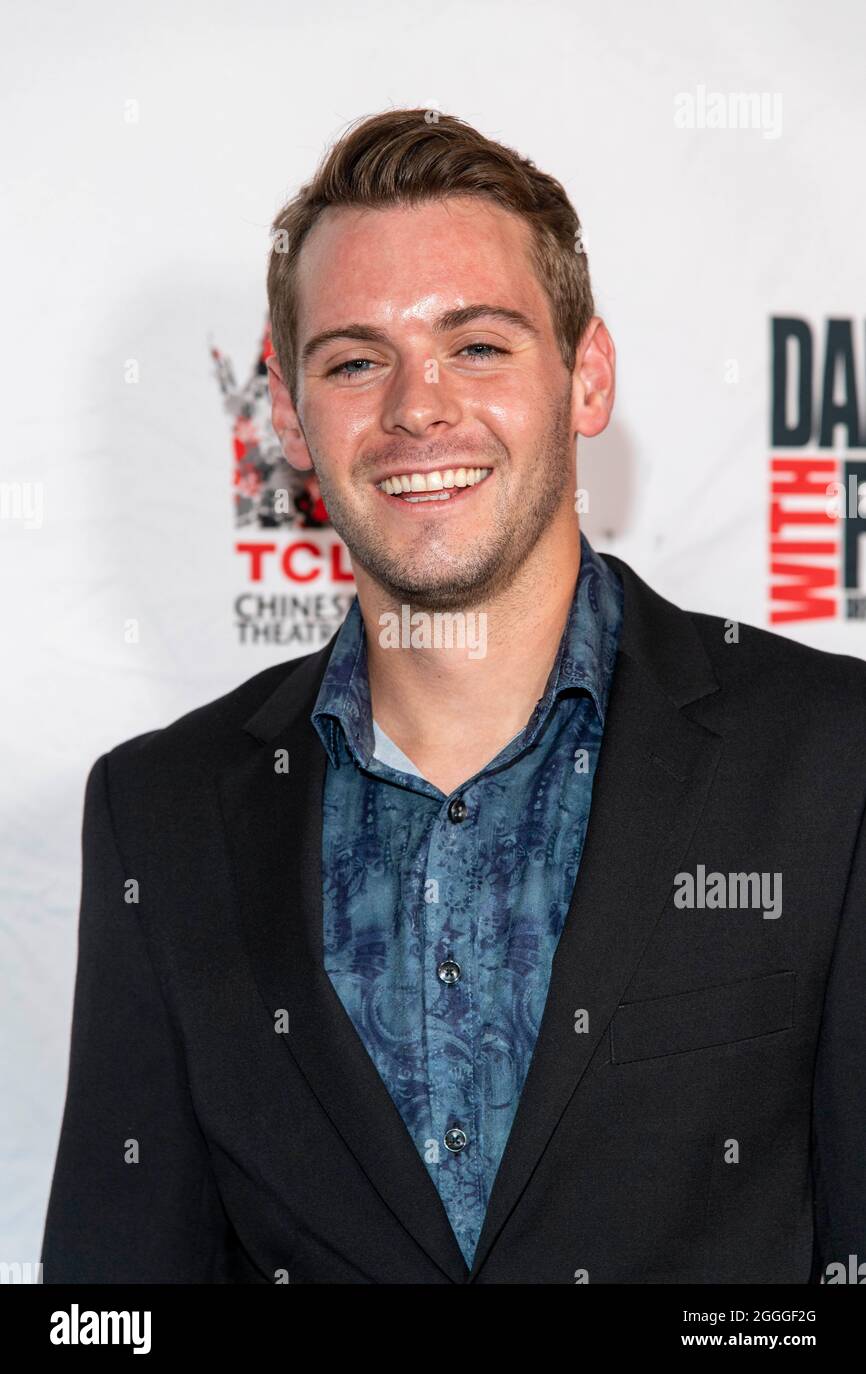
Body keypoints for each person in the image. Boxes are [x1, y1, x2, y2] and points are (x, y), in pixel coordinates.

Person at [42, 109, 866, 1283]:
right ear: (287, 415)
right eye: (355, 358)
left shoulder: (827, 763)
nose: (417, 407)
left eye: (476, 345)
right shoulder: (161, 811)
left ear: (586, 377)